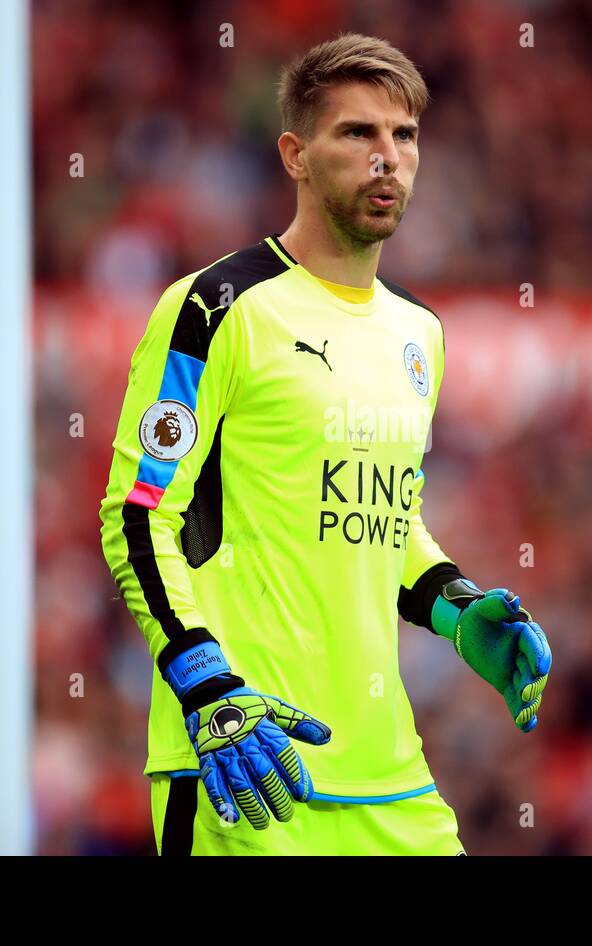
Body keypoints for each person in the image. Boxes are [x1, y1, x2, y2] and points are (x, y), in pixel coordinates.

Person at [99, 32, 551, 855]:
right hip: (245, 768)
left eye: (403, 136)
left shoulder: (420, 332)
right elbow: (136, 517)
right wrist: (207, 686)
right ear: (296, 155)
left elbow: (385, 524)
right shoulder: (216, 307)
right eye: (358, 134)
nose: (387, 157)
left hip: (391, 780)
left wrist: (457, 610)